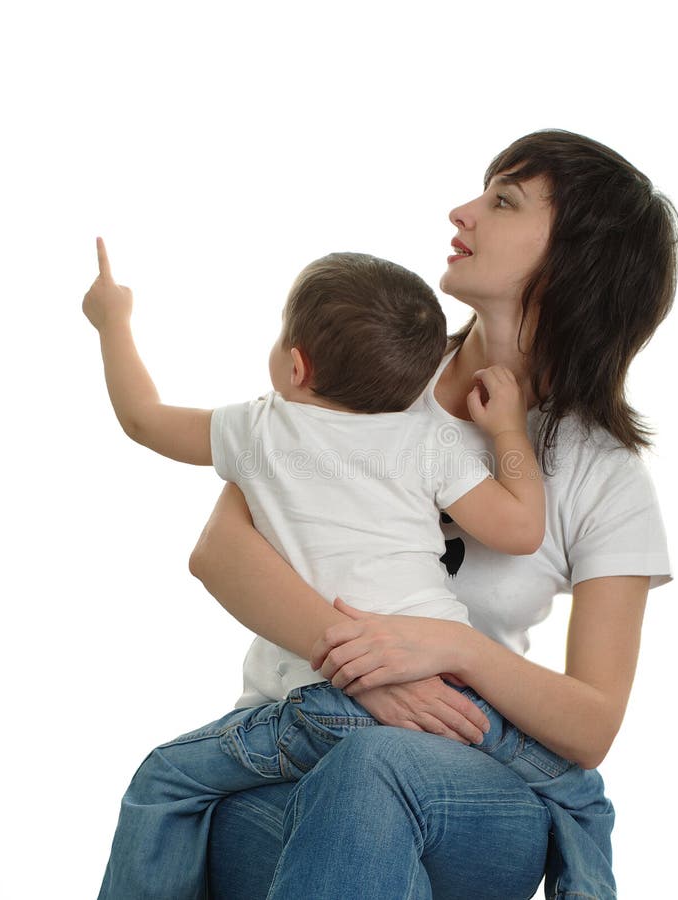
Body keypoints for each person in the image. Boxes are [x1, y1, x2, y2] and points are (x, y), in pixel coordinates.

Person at [188, 129, 678, 900]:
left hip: (475, 792)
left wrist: (454, 650)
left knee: (370, 771)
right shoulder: (375, 374)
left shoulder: (603, 477)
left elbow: (590, 726)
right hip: (292, 751)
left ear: (576, 261)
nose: (461, 212)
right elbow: (220, 550)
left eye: (502, 200)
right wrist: (365, 682)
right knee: (302, 824)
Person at [84, 244, 612, 899]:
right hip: (455, 695)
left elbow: (142, 419)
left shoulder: (261, 431)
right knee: (571, 783)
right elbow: (520, 527)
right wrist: (507, 430)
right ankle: (580, 839)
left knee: (163, 780)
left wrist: (112, 321)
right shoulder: (427, 442)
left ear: (295, 366)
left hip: (326, 708)